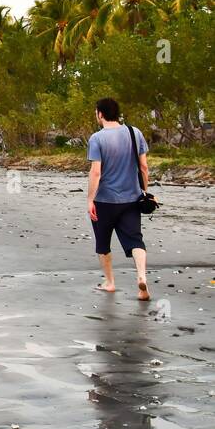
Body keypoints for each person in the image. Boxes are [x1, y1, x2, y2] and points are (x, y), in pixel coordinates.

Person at [86, 97, 150, 301]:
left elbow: (96, 172)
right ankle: (141, 278)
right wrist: (145, 191)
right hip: (131, 198)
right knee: (135, 240)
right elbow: (144, 167)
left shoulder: (97, 138)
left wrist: (90, 200)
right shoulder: (134, 132)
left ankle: (110, 282)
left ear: (100, 114)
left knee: (103, 243)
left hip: (104, 201)